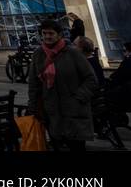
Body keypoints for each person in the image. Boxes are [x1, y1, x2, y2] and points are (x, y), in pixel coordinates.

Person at [28, 18, 97, 151]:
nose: (47, 36)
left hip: (73, 110)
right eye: (44, 33)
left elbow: (91, 79)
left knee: (76, 147)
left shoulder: (73, 53)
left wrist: (78, 98)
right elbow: (34, 84)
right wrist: (33, 106)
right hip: (51, 111)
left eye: (51, 33)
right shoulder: (38, 55)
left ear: (59, 35)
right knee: (57, 145)